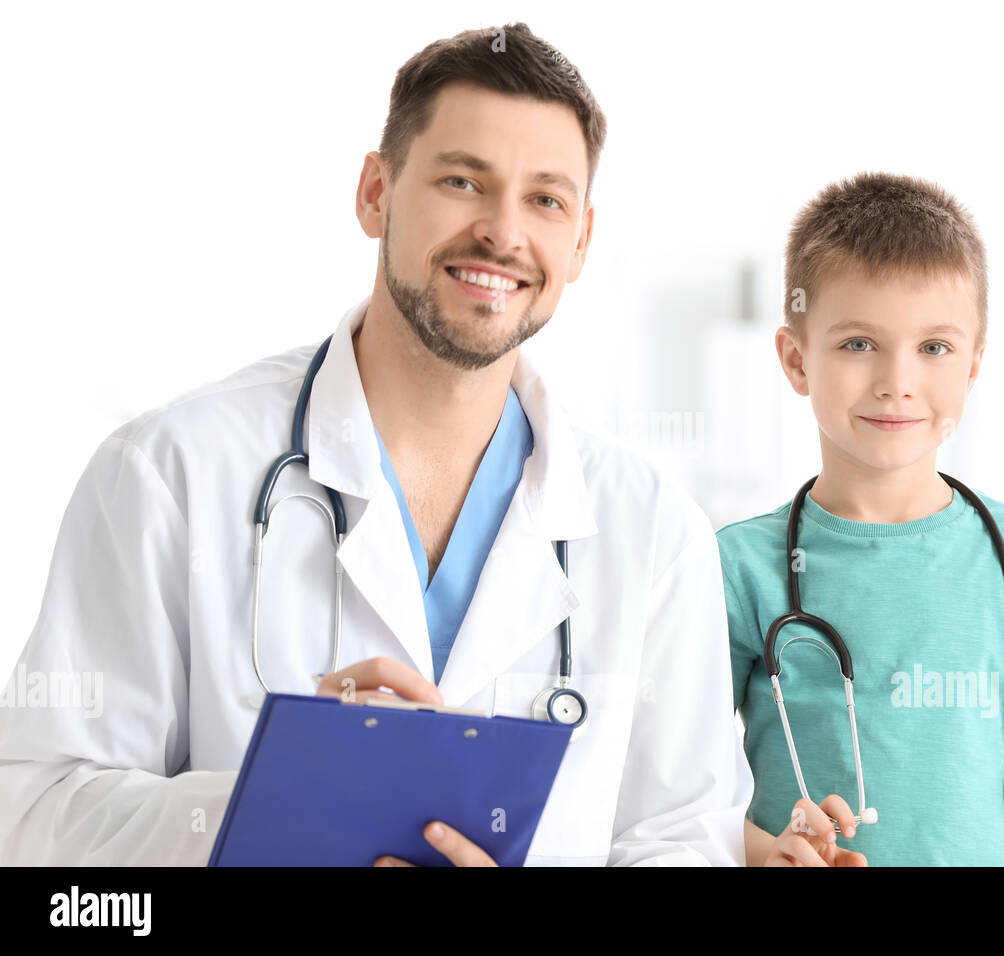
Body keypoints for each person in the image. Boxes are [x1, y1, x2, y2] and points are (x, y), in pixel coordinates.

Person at [0, 23, 751, 867]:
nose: (503, 234)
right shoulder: (170, 473)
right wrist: (285, 796)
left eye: (545, 199)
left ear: (579, 241)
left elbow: (688, 841)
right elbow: (34, 821)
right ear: (375, 192)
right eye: (464, 180)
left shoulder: (653, 532)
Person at [722, 172, 1004, 866]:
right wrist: (765, 854)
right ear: (796, 359)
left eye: (934, 347)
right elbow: (683, 797)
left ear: (972, 366)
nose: (896, 381)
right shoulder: (737, 567)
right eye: (856, 344)